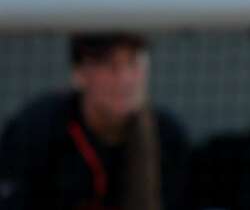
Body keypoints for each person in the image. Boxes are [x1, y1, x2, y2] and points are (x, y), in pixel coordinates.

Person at [0, 32, 189, 210]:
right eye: (109, 64)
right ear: (79, 73)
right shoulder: (38, 128)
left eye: (133, 62)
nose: (124, 78)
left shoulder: (167, 136)